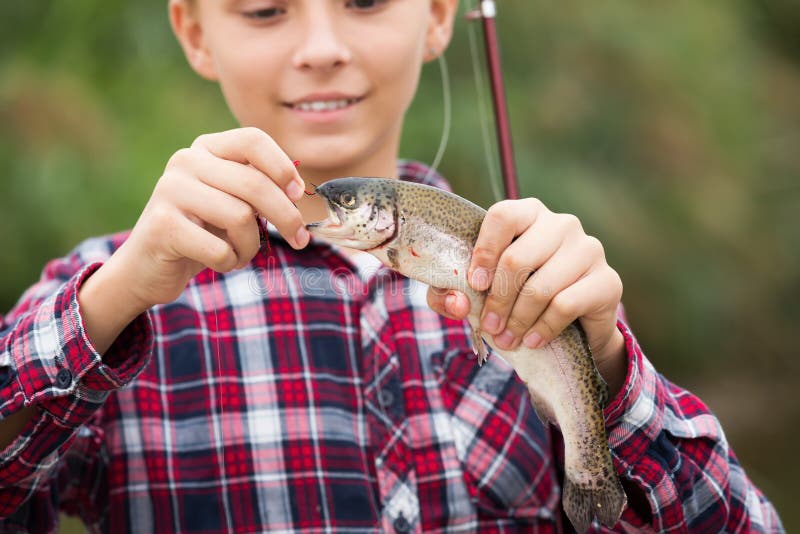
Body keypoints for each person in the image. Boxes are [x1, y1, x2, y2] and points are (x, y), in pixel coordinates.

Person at [0, 0, 784, 532]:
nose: (322, 49)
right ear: (195, 30)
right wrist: (111, 304)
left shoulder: (538, 278)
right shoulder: (109, 293)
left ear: (439, 14)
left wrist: (610, 375)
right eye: (266, 9)